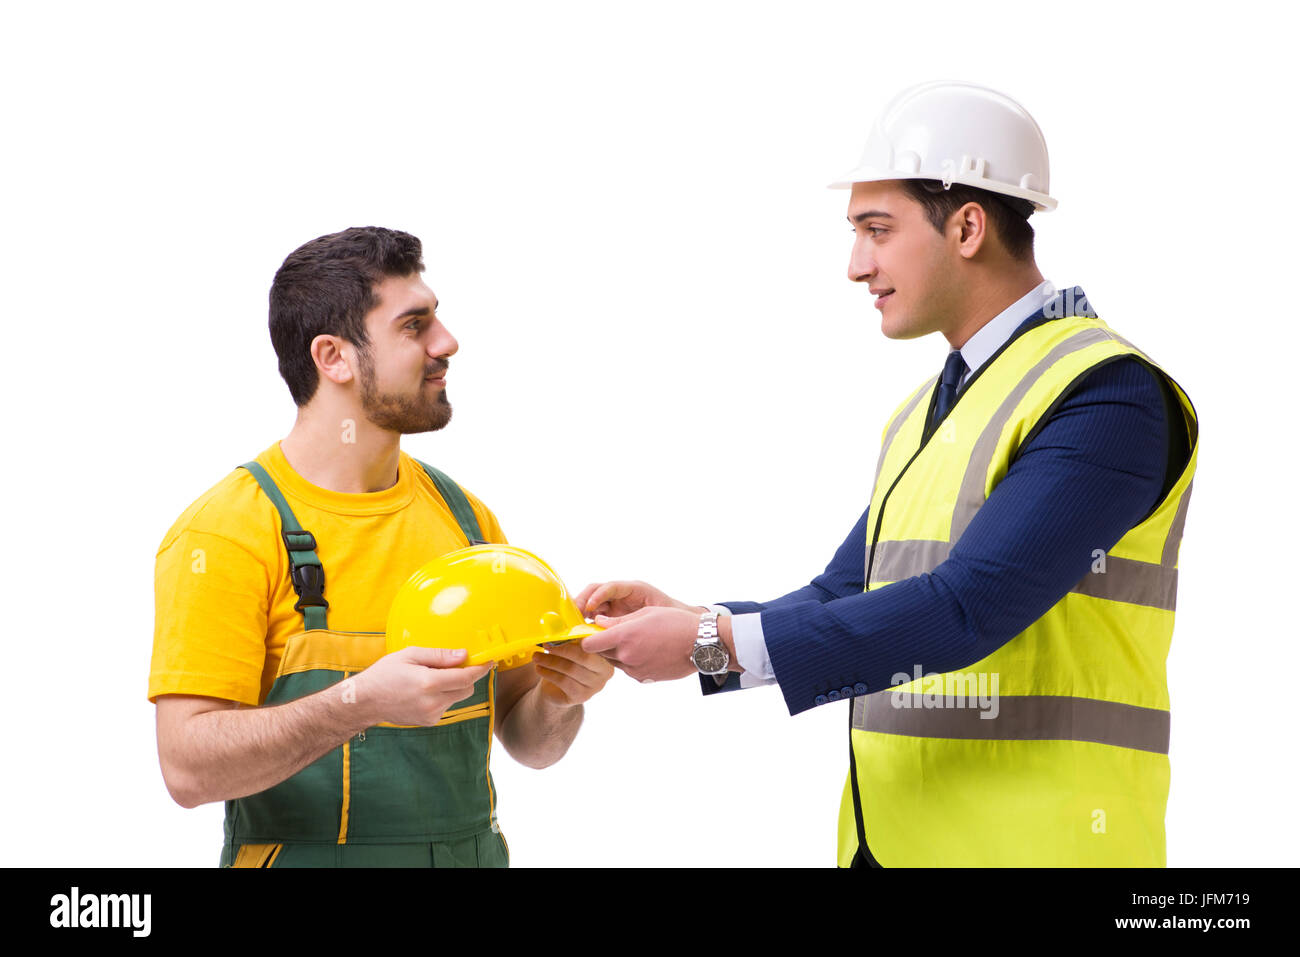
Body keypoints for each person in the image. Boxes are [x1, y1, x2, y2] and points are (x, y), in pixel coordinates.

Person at [577, 81, 1198, 867]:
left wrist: (719, 643)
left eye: (877, 230)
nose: (854, 265)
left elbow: (967, 605)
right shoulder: (928, 409)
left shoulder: (1107, 394)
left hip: (1039, 846)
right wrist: (694, 623)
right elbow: (845, 593)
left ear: (968, 226)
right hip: (895, 843)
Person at [150, 226, 613, 867]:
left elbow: (530, 742)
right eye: (413, 325)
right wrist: (358, 701)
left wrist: (563, 698)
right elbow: (187, 770)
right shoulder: (227, 532)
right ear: (333, 357)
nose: (446, 343)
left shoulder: (466, 520)